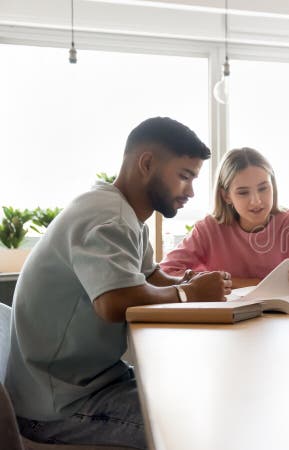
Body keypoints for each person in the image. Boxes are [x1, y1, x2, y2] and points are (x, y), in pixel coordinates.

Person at [5, 117, 231, 449]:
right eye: (185, 176)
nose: (191, 192)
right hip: (60, 405)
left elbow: (150, 276)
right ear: (147, 163)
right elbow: (113, 301)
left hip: (86, 383)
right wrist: (189, 292)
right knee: (198, 429)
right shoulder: (108, 217)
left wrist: (186, 282)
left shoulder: (122, 212)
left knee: (198, 398)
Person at [160, 147, 289, 288]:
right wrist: (234, 282)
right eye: (243, 193)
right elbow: (166, 271)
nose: (256, 201)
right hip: (230, 322)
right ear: (226, 196)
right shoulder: (209, 229)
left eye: (263, 188)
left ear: (273, 185)